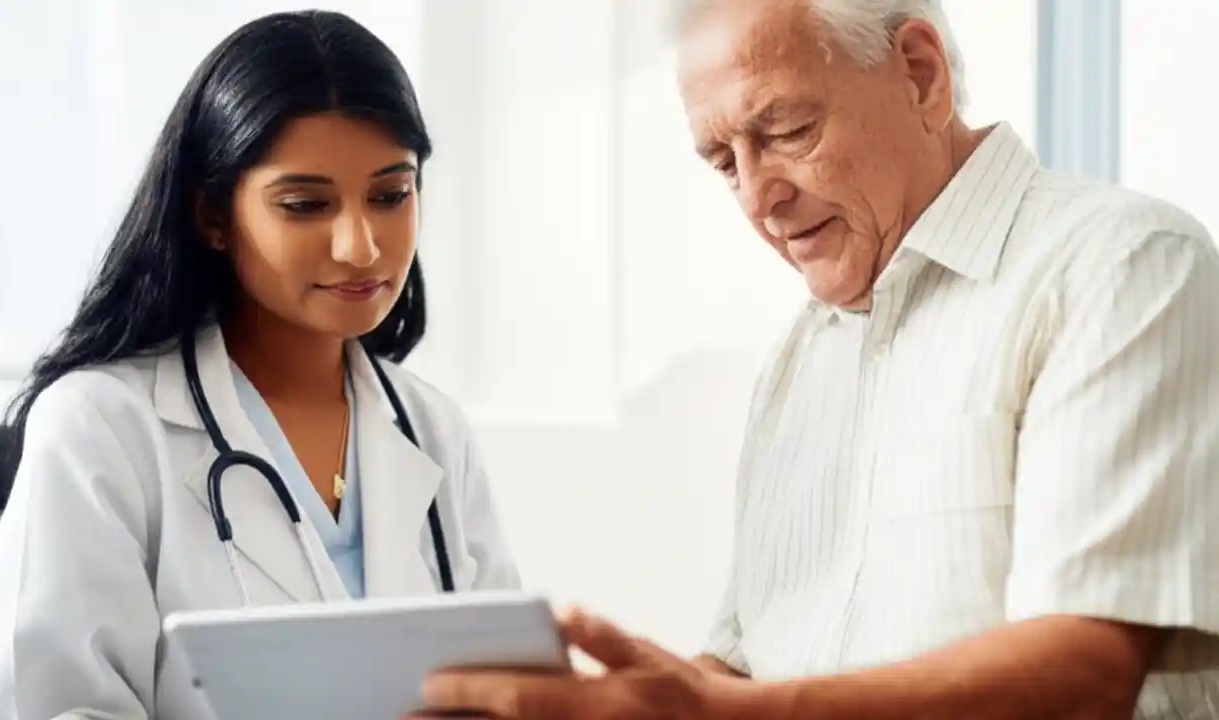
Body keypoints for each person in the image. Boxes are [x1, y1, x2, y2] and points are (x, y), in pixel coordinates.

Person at [416, 0, 1219, 717]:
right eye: (725, 162)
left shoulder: (1124, 265)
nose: (758, 201)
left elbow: (1087, 673)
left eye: (789, 132)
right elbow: (746, 667)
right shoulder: (802, 357)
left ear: (921, 73)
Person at [0, 10, 519, 719]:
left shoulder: (432, 430)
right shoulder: (101, 427)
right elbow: (49, 706)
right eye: (305, 204)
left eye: (390, 195)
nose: (361, 245)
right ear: (213, 217)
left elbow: (511, 691)